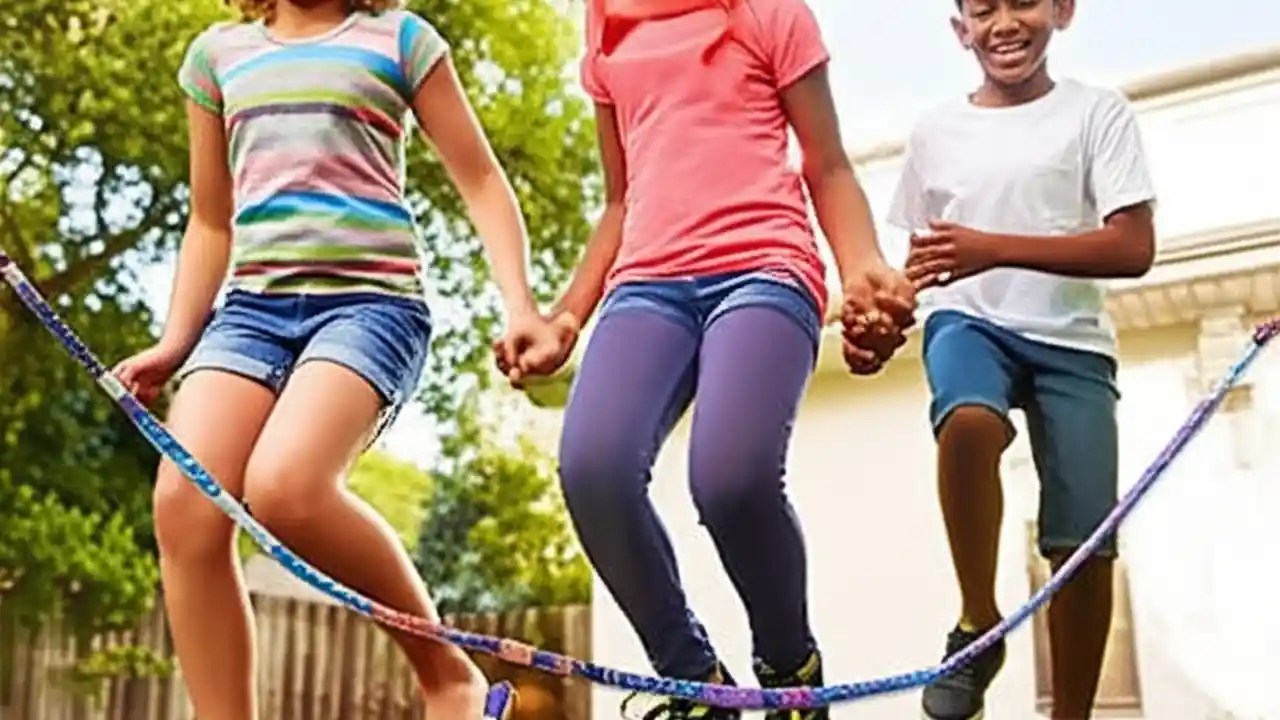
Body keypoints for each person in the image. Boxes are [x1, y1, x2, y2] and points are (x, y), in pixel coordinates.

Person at [113, 1, 556, 717]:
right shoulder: (217, 56)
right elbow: (210, 220)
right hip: (251, 312)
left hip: (369, 307)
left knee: (286, 488)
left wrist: (521, 306)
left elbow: (480, 180)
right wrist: (177, 339)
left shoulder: (401, 40)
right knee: (183, 505)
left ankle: (448, 677)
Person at [497, 0, 916, 718]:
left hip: (764, 266)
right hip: (648, 282)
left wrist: (862, 266)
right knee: (592, 469)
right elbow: (621, 201)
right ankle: (694, 685)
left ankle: (790, 668)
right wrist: (567, 316)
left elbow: (827, 162)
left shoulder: (769, 13)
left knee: (731, 478)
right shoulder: (606, 28)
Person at [877, 1, 1157, 718]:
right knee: (968, 423)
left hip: (1072, 340)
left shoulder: (1098, 113)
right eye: (983, 8)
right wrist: (883, 313)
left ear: (1062, 10)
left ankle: (1072, 712)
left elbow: (1132, 246)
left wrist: (994, 246)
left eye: (1025, 1)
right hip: (969, 320)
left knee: (1083, 539)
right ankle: (977, 622)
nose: (1005, 21)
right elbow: (928, 259)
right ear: (960, 27)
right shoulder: (937, 130)